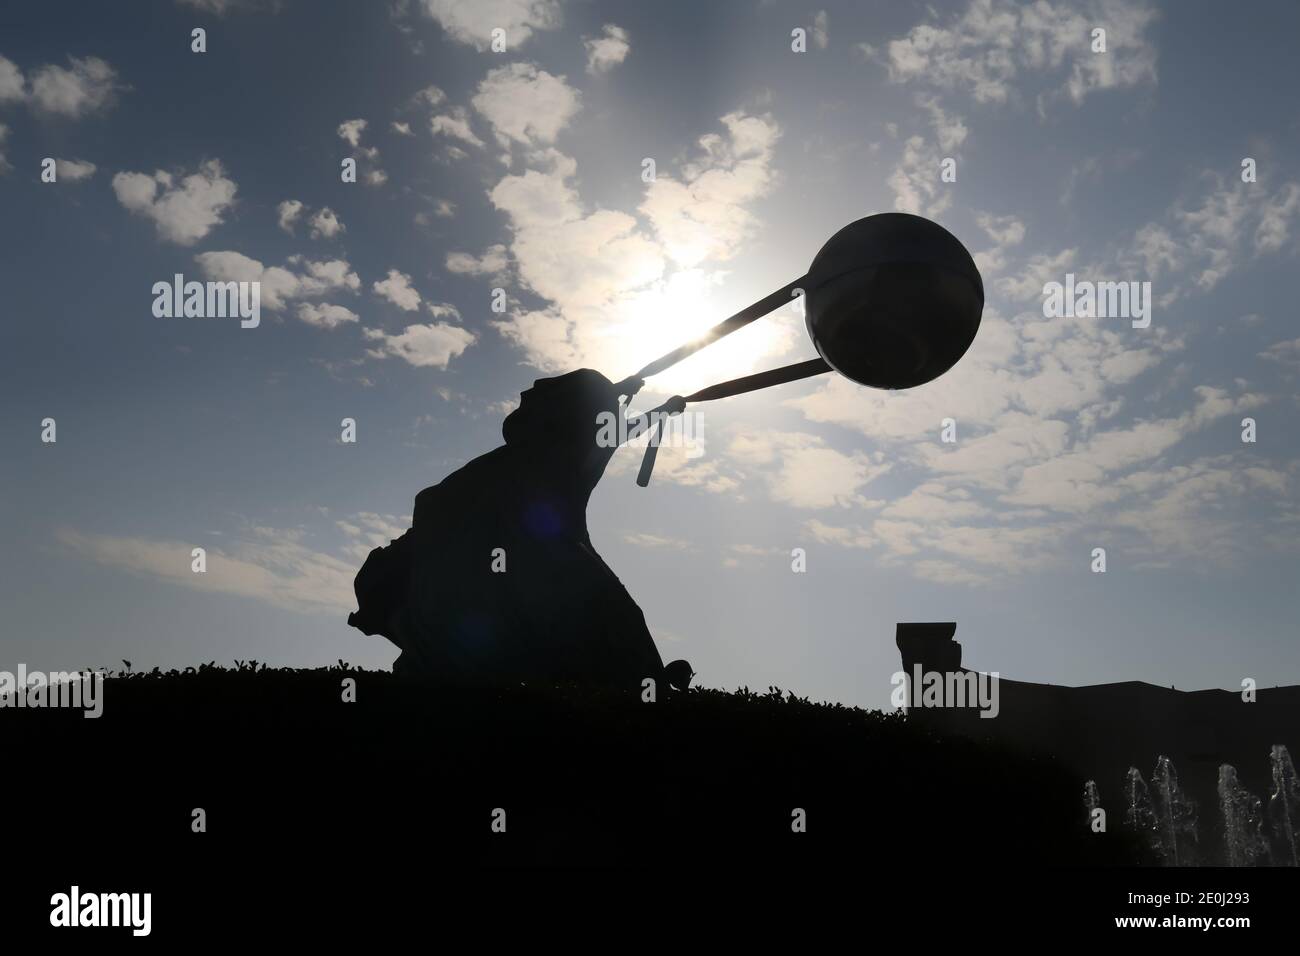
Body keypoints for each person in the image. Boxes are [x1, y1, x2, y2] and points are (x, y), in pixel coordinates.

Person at [348, 368, 691, 691]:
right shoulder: (554, 455)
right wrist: (660, 409)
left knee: (607, 620)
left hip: (517, 557)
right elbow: (613, 431)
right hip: (545, 558)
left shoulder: (523, 454)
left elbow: (607, 429)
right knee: (614, 621)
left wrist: (641, 402)